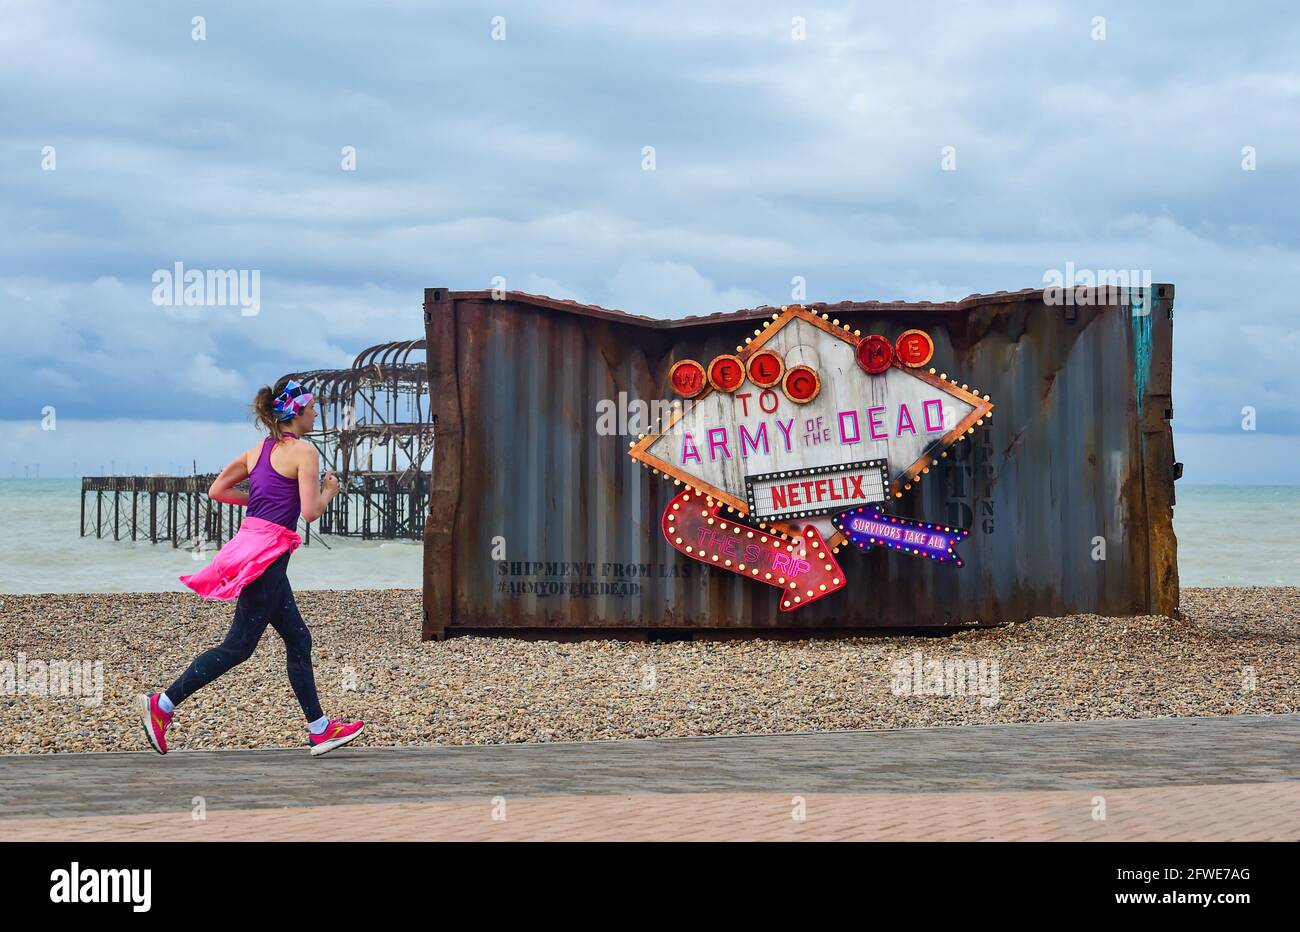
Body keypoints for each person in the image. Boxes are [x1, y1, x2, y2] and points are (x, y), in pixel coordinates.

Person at [139, 378, 365, 757]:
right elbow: (310, 512)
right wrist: (330, 490)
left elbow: (217, 491)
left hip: (254, 546)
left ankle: (320, 729)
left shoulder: (255, 452)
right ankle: (162, 704)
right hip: (269, 556)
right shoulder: (305, 453)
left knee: (298, 639)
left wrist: (261, 505)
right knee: (238, 647)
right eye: (311, 408)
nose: (315, 413)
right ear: (296, 413)